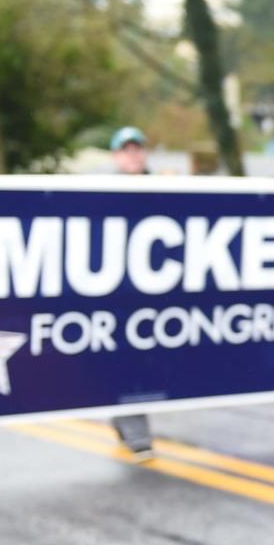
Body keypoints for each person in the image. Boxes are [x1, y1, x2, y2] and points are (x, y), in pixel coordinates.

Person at [109, 126, 154, 460]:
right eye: (126, 150)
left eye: (137, 149)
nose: (133, 154)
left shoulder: (165, 189)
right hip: (117, 297)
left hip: (155, 296)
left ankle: (122, 416)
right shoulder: (103, 191)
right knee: (129, 363)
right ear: (116, 156)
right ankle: (137, 433)